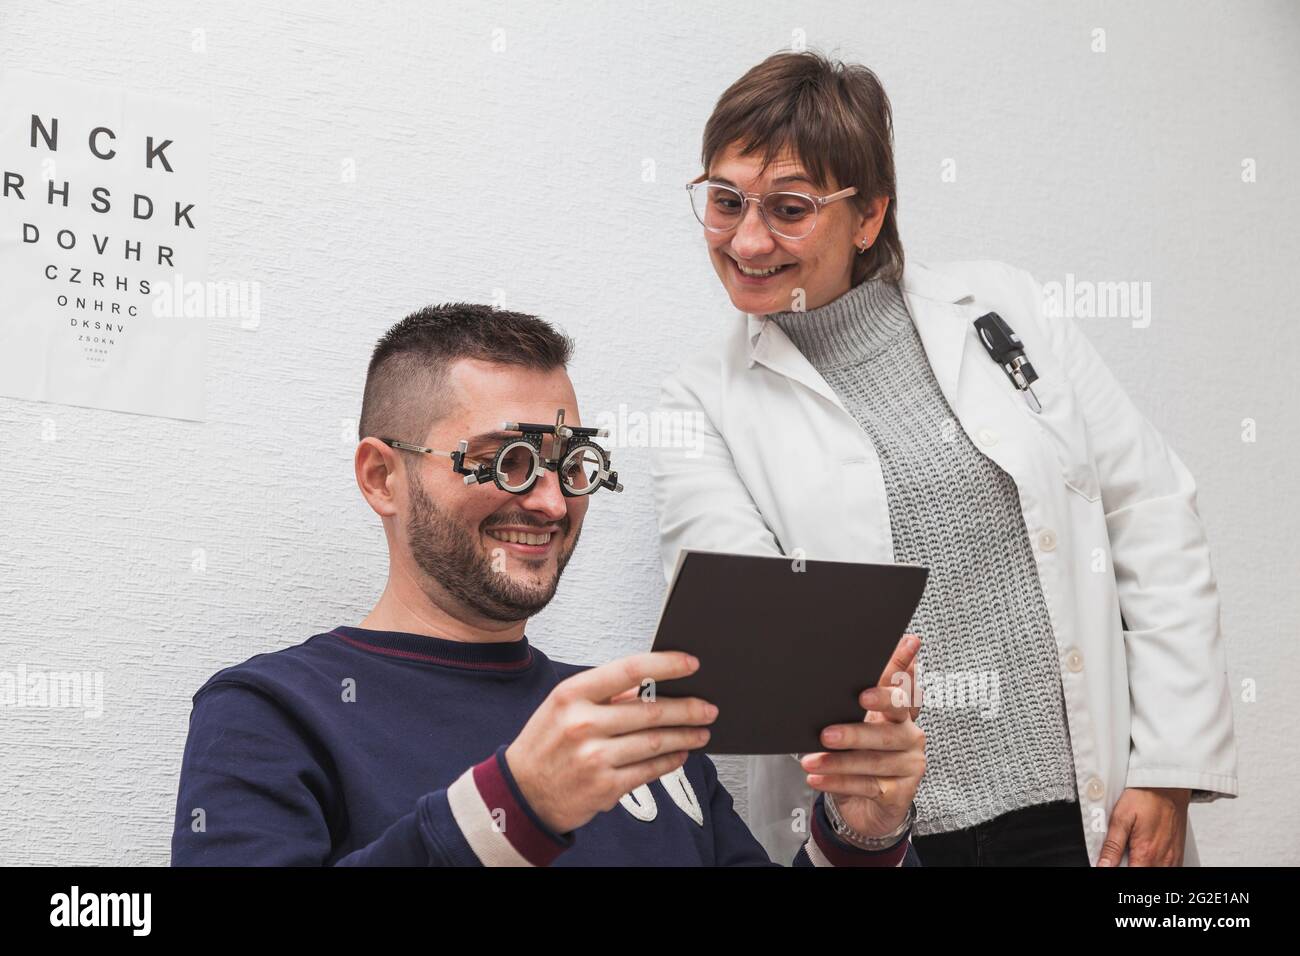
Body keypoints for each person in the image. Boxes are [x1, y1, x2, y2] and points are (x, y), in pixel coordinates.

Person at [651, 50, 1238, 866]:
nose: (747, 240)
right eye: (725, 202)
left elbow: (1151, 516)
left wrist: (1169, 769)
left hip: (1088, 815)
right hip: (890, 834)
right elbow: (751, 637)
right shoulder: (698, 406)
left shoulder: (1005, 307)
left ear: (868, 215)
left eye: (789, 208)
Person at [171, 303, 925, 866]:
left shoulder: (638, 717)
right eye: (507, 462)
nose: (552, 504)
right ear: (381, 476)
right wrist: (512, 808)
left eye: (571, 465)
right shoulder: (269, 712)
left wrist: (859, 836)